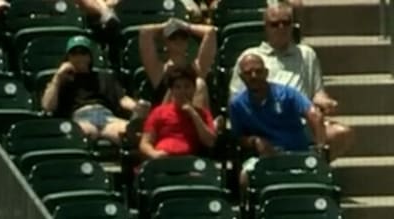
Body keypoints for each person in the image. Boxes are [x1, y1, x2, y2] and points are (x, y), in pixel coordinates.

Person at [227, 1, 354, 158]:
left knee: (342, 133)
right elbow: (237, 98)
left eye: (286, 23)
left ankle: (314, 168)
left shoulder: (306, 54)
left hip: (302, 122)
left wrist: (325, 102)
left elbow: (318, 93)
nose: (281, 28)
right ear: (266, 27)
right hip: (264, 125)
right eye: (275, 24)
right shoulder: (251, 58)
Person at [228, 51, 329, 187]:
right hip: (264, 158)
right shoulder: (237, 104)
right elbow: (239, 138)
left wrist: (320, 149)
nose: (254, 76)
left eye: (258, 71)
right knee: (245, 177)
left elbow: (314, 115)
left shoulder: (287, 94)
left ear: (266, 73)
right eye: (248, 73)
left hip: (296, 154)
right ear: (241, 77)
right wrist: (254, 141)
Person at [41, 35, 146, 145]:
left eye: (83, 53)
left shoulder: (105, 77)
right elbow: (47, 107)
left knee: (133, 134)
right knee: (82, 135)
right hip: (80, 118)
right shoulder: (62, 81)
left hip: (105, 116)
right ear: (68, 57)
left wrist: (137, 107)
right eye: (74, 53)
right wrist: (57, 77)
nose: (79, 57)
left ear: (89, 57)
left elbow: (122, 99)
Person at [138, 67, 217, 160]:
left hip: (189, 162)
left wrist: (193, 113)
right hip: (162, 160)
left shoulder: (203, 114)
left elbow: (210, 141)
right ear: (172, 91)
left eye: (187, 86)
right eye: (178, 87)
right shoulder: (159, 112)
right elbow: (145, 143)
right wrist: (154, 154)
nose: (182, 91)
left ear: (194, 88)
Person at [138, 18, 217, 109]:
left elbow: (211, 32)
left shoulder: (197, 69)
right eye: (173, 38)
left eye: (183, 38)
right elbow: (145, 32)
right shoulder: (158, 71)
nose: (178, 41)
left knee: (200, 84)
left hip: (193, 119)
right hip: (167, 120)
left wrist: (186, 26)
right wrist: (167, 25)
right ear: (166, 42)